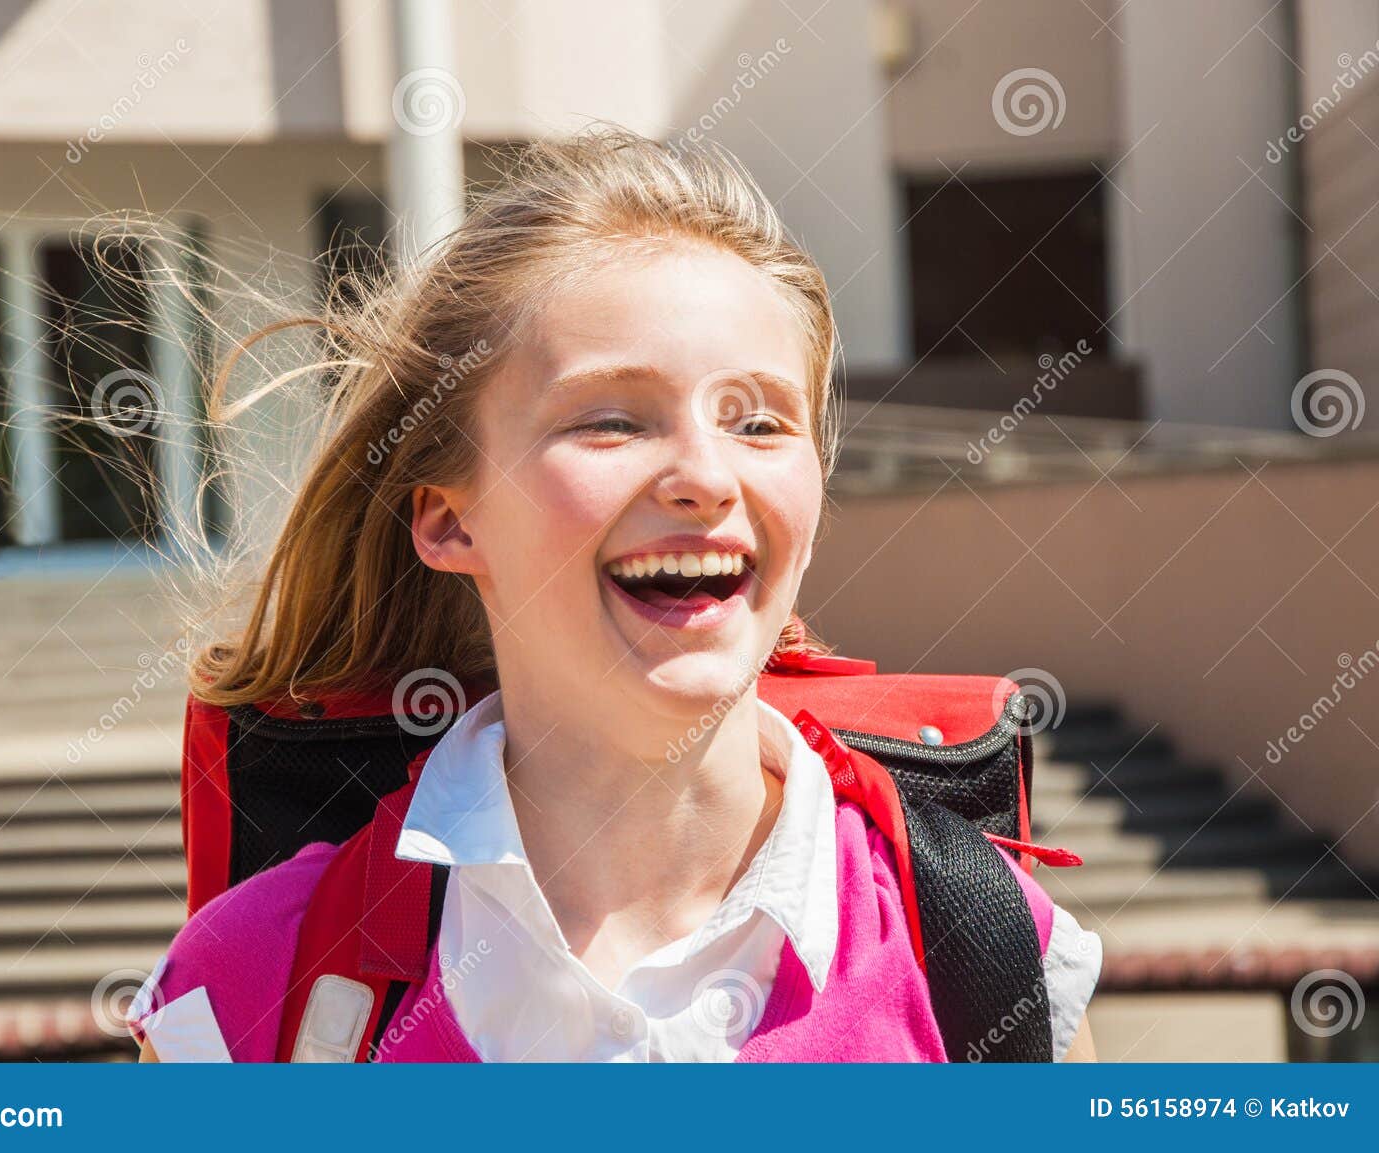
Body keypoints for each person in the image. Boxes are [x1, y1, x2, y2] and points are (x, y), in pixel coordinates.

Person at [130, 125, 1100, 1063]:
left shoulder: (993, 949)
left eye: (759, 422)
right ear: (447, 518)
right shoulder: (251, 984)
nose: (706, 476)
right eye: (610, 420)